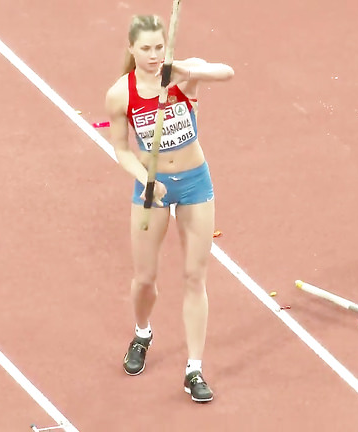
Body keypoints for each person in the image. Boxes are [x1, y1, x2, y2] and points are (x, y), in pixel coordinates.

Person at [104, 14, 234, 403]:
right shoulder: (121, 94)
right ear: (131, 49)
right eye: (145, 49)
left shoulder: (180, 76)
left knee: (195, 276)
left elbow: (226, 73)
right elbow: (121, 148)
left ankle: (194, 367)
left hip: (195, 183)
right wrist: (145, 178)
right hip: (153, 189)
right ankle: (143, 333)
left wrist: (181, 68)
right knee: (145, 278)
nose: (153, 55)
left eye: (158, 47)